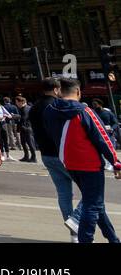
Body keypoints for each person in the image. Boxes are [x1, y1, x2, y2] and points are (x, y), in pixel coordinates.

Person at [43, 77, 121, 244]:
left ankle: (113, 239)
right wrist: (116, 162)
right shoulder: (84, 111)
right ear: (78, 92)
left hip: (69, 163)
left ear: (59, 91)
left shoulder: (49, 111)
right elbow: (103, 139)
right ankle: (86, 240)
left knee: (96, 203)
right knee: (92, 206)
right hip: (90, 165)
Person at [28, 78, 82, 238]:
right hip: (62, 154)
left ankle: (74, 234)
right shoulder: (55, 105)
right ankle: (76, 220)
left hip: (46, 155)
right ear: (57, 89)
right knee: (90, 192)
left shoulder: (34, 108)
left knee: (64, 194)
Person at [15, 93, 37, 162]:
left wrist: (17, 117)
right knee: (24, 143)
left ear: (21, 102)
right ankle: (26, 156)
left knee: (29, 143)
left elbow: (23, 119)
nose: (16, 104)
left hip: (26, 128)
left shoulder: (25, 109)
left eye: (17, 102)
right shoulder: (27, 107)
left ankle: (33, 157)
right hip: (27, 128)